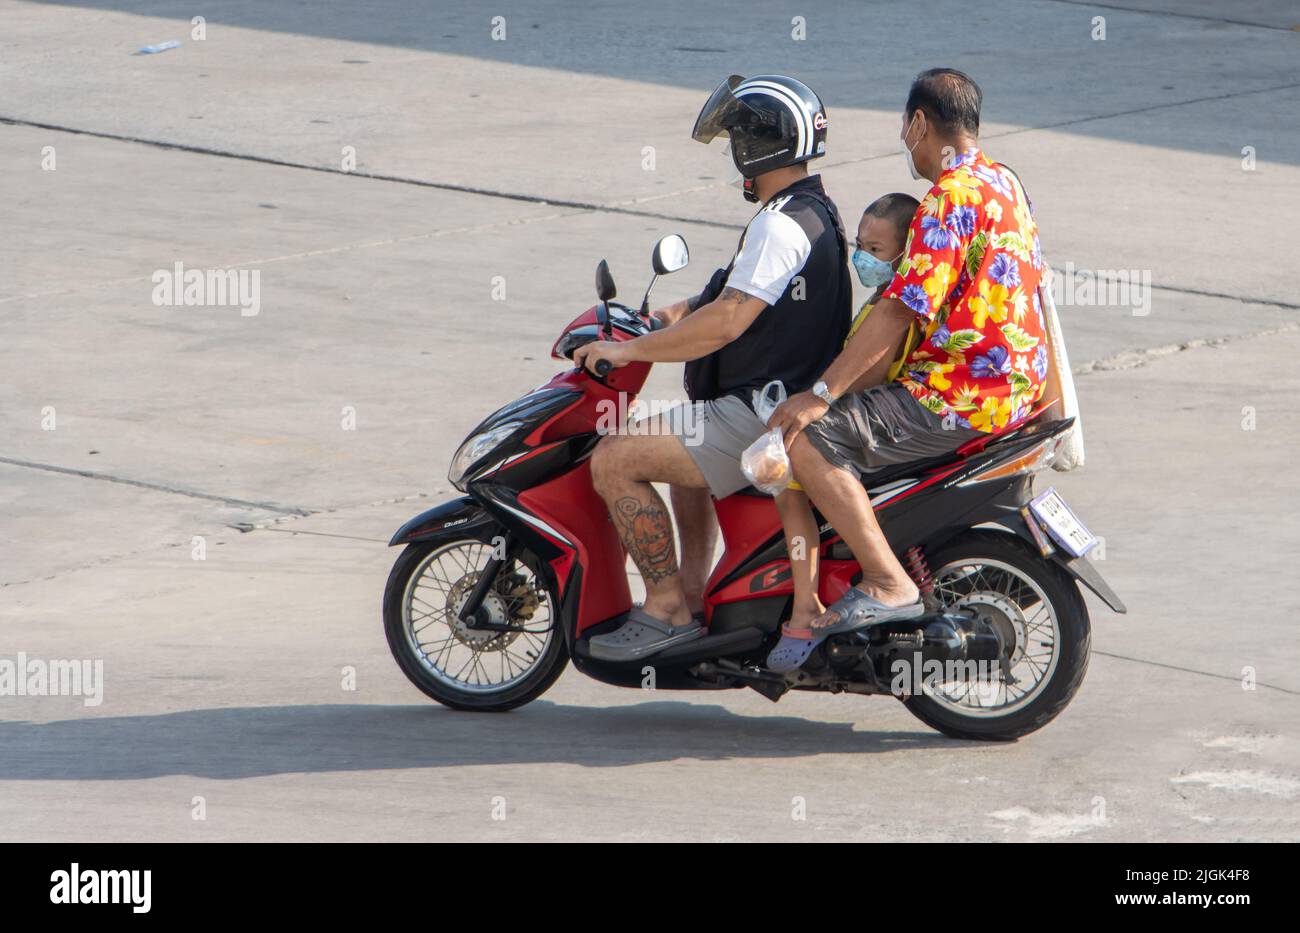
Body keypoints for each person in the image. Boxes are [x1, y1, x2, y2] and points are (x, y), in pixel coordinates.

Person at [764, 67, 1049, 671]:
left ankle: (887, 580)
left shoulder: (949, 198)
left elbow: (897, 310)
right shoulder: (1005, 182)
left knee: (806, 440)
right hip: (1018, 387)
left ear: (920, 122)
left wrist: (820, 392)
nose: (904, 139)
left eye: (904, 126)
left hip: (961, 394)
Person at [573, 74, 852, 662]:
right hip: (769, 403)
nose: (733, 155)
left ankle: (667, 606)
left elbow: (728, 320)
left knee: (616, 458)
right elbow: (726, 300)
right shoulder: (810, 211)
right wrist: (659, 318)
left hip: (760, 413)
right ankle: (693, 593)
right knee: (675, 437)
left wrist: (627, 352)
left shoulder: (779, 224)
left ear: (756, 146)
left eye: (736, 141)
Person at [767, 192, 919, 670]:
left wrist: (814, 399)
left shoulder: (892, 308)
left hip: (874, 416)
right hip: (878, 411)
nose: (863, 258)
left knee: (786, 468)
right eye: (860, 245)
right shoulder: (885, 298)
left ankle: (804, 604)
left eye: (876, 251)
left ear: (904, 250)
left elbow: (865, 378)